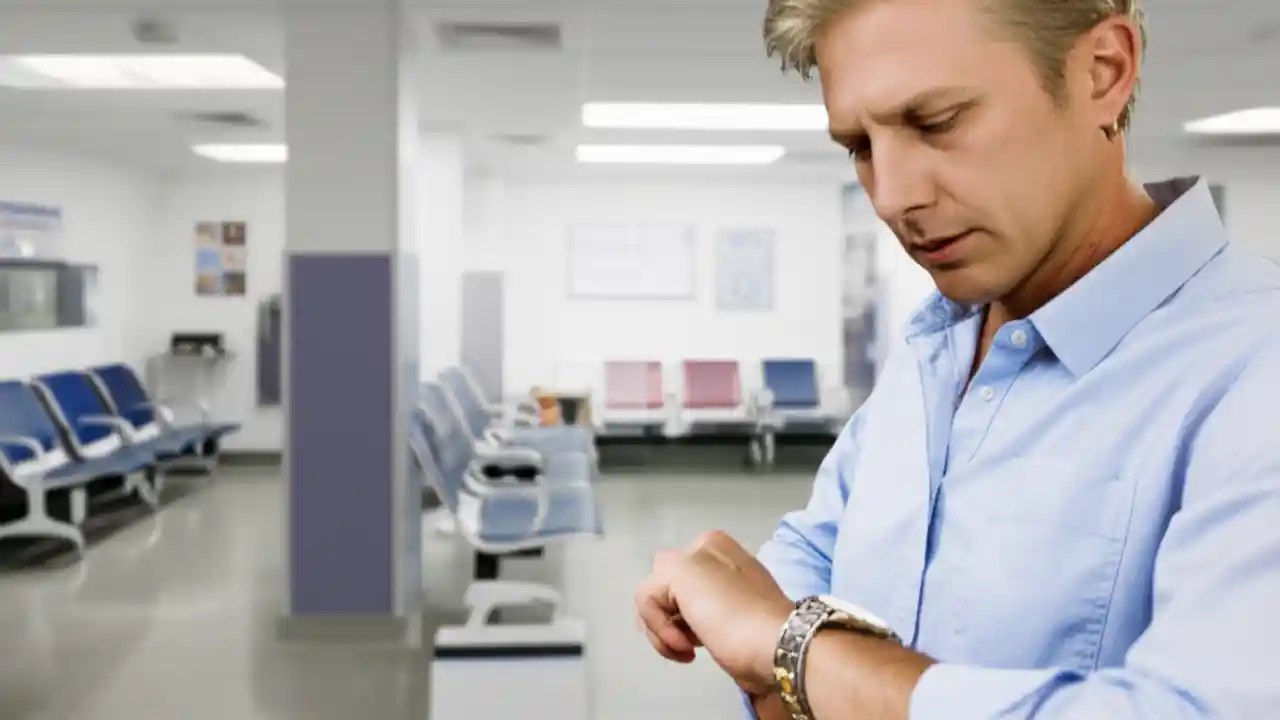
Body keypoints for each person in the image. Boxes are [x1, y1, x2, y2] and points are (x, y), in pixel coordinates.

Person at [634, 0, 1280, 718]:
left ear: (1104, 72)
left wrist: (793, 651)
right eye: (860, 146)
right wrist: (770, 637)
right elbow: (815, 549)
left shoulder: (1255, 371)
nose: (893, 197)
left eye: (938, 122)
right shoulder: (935, 347)